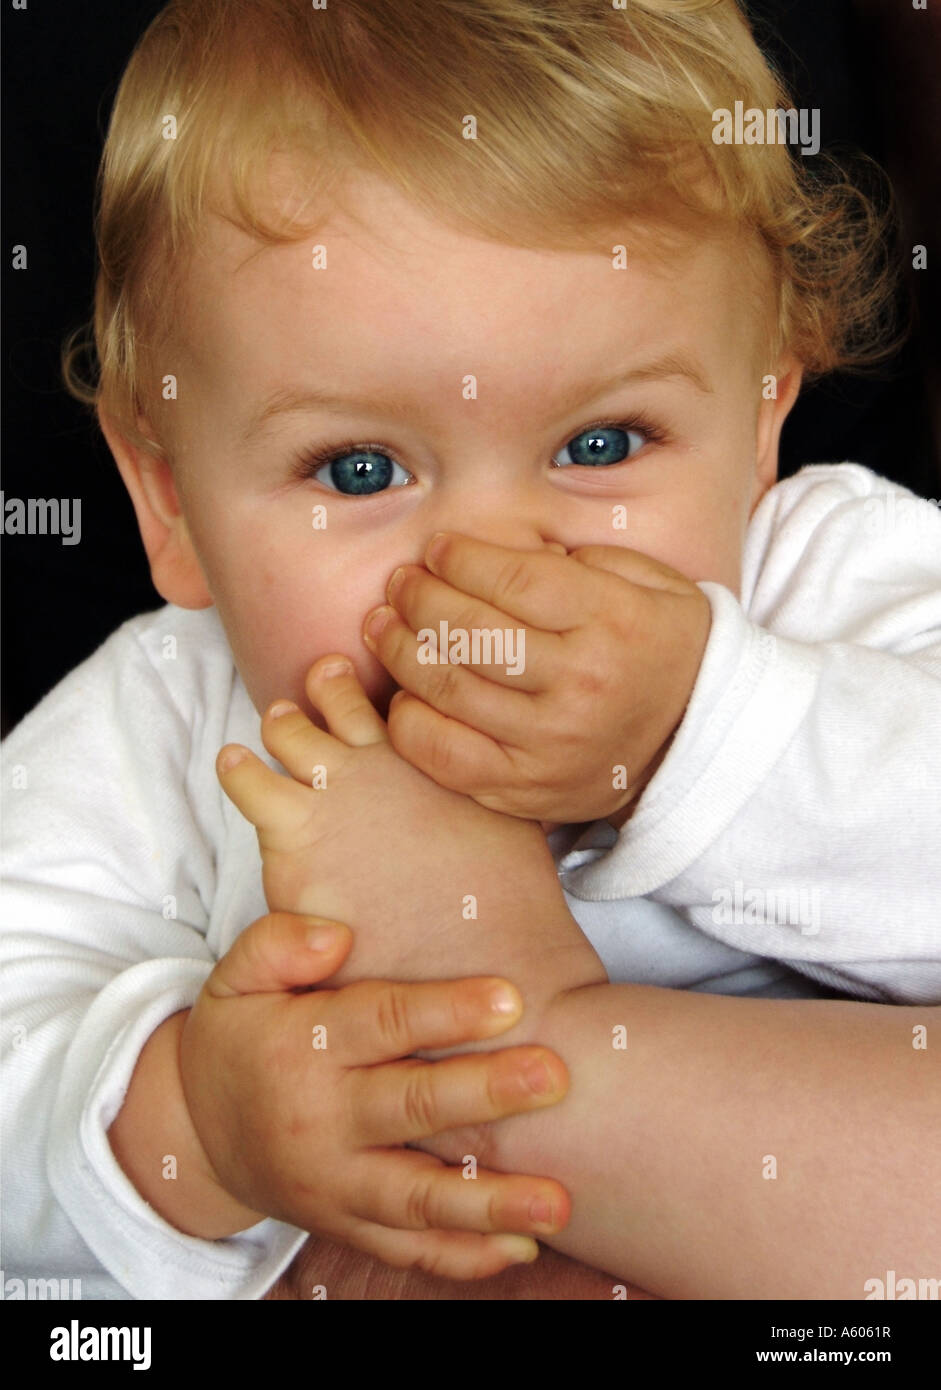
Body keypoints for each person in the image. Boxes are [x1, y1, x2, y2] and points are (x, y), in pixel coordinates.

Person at [2, 0, 939, 1301]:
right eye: (361, 468)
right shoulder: (158, 720)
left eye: (602, 444)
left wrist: (691, 731)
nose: (490, 566)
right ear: (170, 500)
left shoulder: (834, 584)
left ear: (761, 419)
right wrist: (193, 1123)